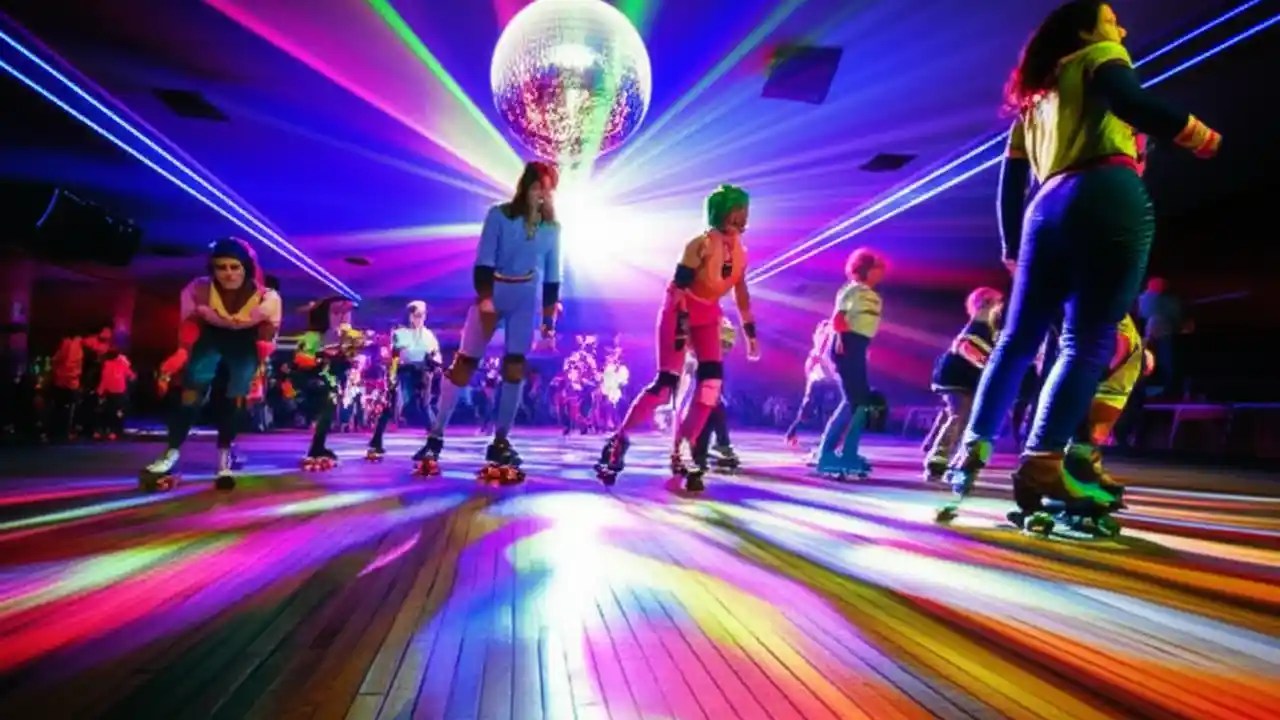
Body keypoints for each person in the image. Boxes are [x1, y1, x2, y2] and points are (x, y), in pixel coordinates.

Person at [946, 0, 1220, 520]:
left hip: (1042, 211)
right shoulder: (1100, 54)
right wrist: (1198, 135)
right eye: (1112, 18)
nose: (1122, 27)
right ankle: (1046, 463)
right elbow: (1131, 101)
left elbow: (1009, 185)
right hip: (1103, 191)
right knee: (1088, 340)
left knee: (1019, 339)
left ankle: (973, 447)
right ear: (1086, 28)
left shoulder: (1035, 99)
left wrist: (1010, 245)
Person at [595, 184, 760, 492]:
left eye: (745, 212)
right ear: (723, 212)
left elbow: (742, 295)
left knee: (711, 385)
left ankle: (686, 444)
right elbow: (680, 287)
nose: (742, 218)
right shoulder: (700, 244)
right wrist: (682, 324)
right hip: (680, 310)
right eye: (737, 211)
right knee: (667, 384)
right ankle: (619, 439)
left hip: (709, 315)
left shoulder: (741, 254)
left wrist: (750, 333)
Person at [415, 160, 562, 479]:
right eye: (538, 187)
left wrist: (548, 323)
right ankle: (436, 435)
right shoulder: (498, 215)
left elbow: (553, 278)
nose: (543, 195)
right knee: (464, 365)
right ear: (526, 186)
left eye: (549, 190)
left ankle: (501, 440)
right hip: (494, 290)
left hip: (525, 297)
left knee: (515, 367)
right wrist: (485, 299)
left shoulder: (552, 229)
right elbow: (483, 259)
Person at [141, 238, 281, 490]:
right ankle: (171, 452)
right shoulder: (198, 289)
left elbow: (267, 331)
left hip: (244, 342)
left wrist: (261, 359)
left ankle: (224, 457)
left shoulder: (266, 297)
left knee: (233, 399)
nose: (228, 274)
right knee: (190, 395)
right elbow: (191, 322)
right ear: (212, 269)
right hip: (210, 337)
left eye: (234, 267)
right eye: (221, 267)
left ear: (246, 267)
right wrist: (183, 351)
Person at [815, 248, 885, 479]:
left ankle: (847, 452)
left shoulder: (872, 295)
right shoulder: (852, 289)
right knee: (855, 401)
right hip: (847, 345)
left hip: (860, 346)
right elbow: (838, 318)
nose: (881, 273)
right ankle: (828, 455)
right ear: (865, 268)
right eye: (877, 268)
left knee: (859, 402)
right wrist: (843, 343)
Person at [923, 287, 1003, 481]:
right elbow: (966, 347)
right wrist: (986, 365)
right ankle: (937, 459)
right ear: (985, 305)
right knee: (960, 415)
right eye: (997, 304)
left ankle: (933, 444)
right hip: (956, 377)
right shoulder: (978, 326)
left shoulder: (989, 330)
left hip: (963, 379)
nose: (1001, 309)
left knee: (955, 414)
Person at [367, 300, 440, 458]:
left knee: (425, 405)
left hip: (423, 372)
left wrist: (435, 363)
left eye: (423, 314)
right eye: (417, 314)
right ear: (410, 315)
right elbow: (395, 356)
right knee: (393, 406)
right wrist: (392, 375)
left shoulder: (429, 335)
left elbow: (436, 354)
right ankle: (376, 441)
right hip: (404, 372)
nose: (420, 318)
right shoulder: (400, 333)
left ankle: (434, 443)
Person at [294, 297, 361, 469]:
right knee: (325, 407)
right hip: (314, 379)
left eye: (346, 313)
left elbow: (347, 361)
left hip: (331, 380)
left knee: (329, 412)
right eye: (337, 312)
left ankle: (318, 446)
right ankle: (316, 448)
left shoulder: (346, 338)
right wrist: (321, 357)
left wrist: (349, 360)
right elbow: (300, 358)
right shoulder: (314, 336)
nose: (342, 317)